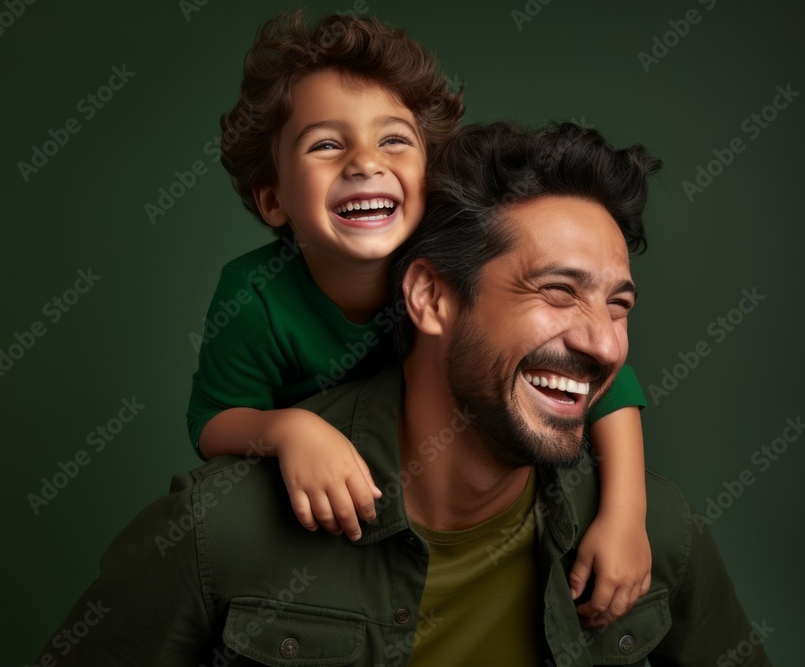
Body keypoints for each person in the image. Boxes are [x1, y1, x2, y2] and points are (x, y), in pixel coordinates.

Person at [38, 122, 771, 666]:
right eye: (556, 292)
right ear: (429, 298)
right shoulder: (217, 533)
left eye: (619, 305)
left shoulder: (651, 530)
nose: (606, 342)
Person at [188, 9, 654, 623]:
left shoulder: (452, 263)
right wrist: (286, 432)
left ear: (428, 175)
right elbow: (212, 424)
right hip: (329, 511)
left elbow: (592, 370)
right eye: (326, 144)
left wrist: (626, 515)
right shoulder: (255, 294)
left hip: (442, 487)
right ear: (273, 198)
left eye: (393, 140)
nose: (364, 163)